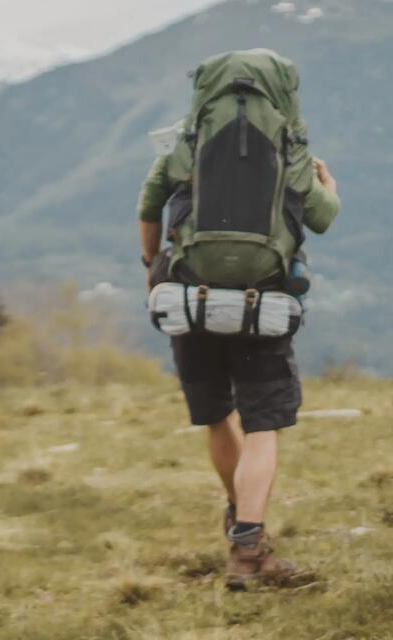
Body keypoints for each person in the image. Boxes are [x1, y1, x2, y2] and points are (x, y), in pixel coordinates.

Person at [135, 49, 341, 590]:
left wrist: (150, 268)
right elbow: (320, 217)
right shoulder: (291, 144)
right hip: (262, 302)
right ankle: (248, 547)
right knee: (262, 425)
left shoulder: (188, 139)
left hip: (189, 297)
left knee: (217, 415)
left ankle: (237, 514)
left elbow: (149, 203)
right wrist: (332, 189)